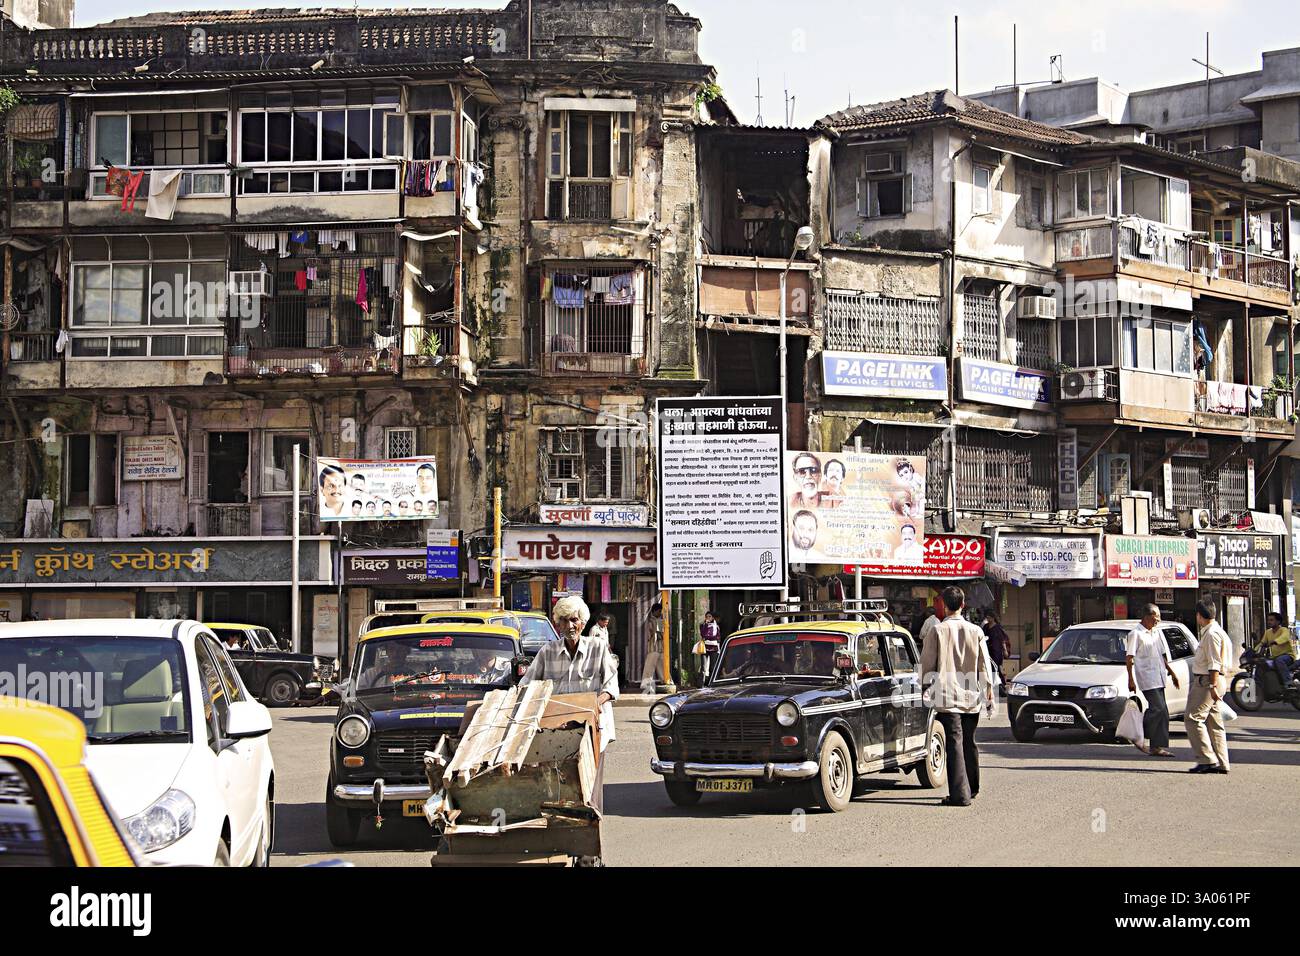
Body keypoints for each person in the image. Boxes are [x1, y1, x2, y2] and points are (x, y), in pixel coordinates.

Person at [520, 595, 618, 815]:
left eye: (574, 620)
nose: (570, 626)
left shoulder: (598, 648)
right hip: (558, 731)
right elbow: (527, 685)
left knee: (591, 788)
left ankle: (591, 828)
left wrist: (593, 705)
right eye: (564, 620)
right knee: (559, 787)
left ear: (583, 622)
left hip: (593, 729)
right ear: (558, 624)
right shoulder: (547, 652)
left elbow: (611, 687)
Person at [920, 586, 994, 807]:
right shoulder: (976, 631)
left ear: (943, 605)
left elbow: (926, 664)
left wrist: (924, 686)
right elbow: (984, 664)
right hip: (971, 696)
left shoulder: (937, 631)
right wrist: (988, 689)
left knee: (954, 744)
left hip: (948, 696)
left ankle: (960, 795)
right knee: (969, 742)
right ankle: (972, 788)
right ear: (963, 604)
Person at [1124, 604, 1180, 758]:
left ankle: (1156, 747)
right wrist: (1130, 679)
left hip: (1159, 676)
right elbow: (1129, 658)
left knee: (1163, 712)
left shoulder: (1156, 633)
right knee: (1158, 708)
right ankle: (1136, 732)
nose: (1159, 619)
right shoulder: (1136, 634)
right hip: (1147, 677)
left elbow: (1161, 656)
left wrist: (1172, 673)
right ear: (1147, 616)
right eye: (1157, 616)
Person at [1186, 600, 1232, 774]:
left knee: (1193, 718)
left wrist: (1212, 685)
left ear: (1199, 616)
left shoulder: (1212, 634)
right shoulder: (1216, 631)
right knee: (1214, 722)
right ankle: (1222, 763)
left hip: (1208, 681)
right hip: (1213, 680)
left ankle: (1207, 759)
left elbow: (1214, 663)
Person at [1259, 612, 1297, 688]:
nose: (1269, 622)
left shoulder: (1284, 630)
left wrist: (1275, 641)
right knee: (1262, 662)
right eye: (1268, 620)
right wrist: (1254, 651)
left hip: (1288, 656)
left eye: (1271, 620)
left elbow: (1285, 637)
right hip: (1274, 657)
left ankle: (1289, 683)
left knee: (1279, 660)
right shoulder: (1268, 632)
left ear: (1278, 621)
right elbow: (1262, 643)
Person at [982, 609, 1011, 691]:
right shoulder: (985, 627)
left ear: (993, 618)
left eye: (989, 617)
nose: (988, 619)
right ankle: (995, 685)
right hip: (987, 650)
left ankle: (1001, 685)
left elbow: (1003, 640)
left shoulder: (998, 628)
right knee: (989, 668)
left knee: (996, 668)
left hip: (996, 651)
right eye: (987, 617)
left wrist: (1005, 650)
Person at [641, 602, 664, 694]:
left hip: (656, 647)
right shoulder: (652, 621)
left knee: (655, 666)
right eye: (659, 611)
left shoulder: (656, 620)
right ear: (654, 611)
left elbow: (649, 635)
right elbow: (650, 635)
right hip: (656, 647)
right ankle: (664, 681)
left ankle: (648, 685)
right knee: (655, 666)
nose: (660, 613)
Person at [699, 611, 721, 681]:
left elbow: (717, 637)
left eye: (709, 616)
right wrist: (706, 625)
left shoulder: (716, 626)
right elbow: (703, 634)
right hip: (704, 648)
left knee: (712, 667)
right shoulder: (702, 625)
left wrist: (708, 638)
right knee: (703, 667)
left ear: (712, 618)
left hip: (713, 648)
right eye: (706, 617)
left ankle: (711, 682)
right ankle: (701, 683)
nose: (708, 618)